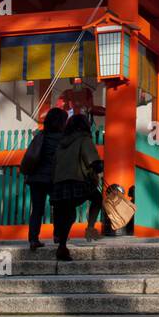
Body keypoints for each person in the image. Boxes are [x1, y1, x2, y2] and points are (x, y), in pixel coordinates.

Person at [51, 113, 104, 261]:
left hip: (59, 184)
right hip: (77, 181)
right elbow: (92, 160)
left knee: (67, 214)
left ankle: (61, 244)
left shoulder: (61, 144)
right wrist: (98, 166)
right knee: (97, 198)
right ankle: (90, 228)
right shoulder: (84, 139)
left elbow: (55, 164)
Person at [22, 107, 67, 250]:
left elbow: (32, 154)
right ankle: (58, 236)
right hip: (54, 178)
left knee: (37, 209)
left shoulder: (40, 135)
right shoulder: (63, 138)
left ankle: (33, 239)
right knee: (59, 207)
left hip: (36, 178)